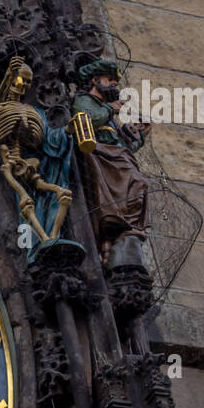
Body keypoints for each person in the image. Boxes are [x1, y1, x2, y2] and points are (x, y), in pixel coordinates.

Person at [72, 59, 151, 263]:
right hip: (100, 156)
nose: (114, 85)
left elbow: (122, 147)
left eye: (116, 82)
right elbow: (86, 119)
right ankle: (119, 226)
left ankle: (126, 228)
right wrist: (110, 109)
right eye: (110, 81)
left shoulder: (108, 114)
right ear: (95, 80)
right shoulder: (86, 101)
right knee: (136, 181)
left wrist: (140, 135)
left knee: (139, 184)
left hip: (114, 158)